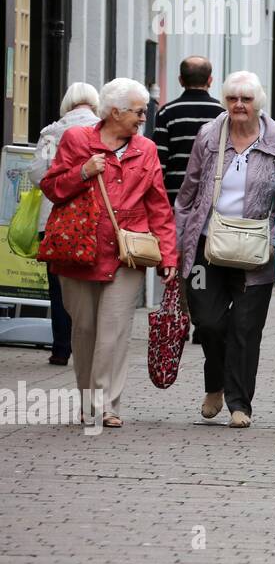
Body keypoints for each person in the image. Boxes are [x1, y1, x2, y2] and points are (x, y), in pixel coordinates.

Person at [40, 78, 179, 429]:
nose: (143, 118)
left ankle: (105, 405)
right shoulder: (76, 140)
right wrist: (83, 172)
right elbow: (52, 187)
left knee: (113, 330)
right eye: (138, 111)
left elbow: (158, 204)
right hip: (79, 248)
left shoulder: (145, 149)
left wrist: (168, 256)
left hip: (127, 251)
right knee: (85, 328)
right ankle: (88, 401)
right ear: (115, 112)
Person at [172, 72, 275, 429]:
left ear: (259, 102)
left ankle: (240, 404)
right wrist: (180, 244)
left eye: (246, 99)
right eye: (232, 98)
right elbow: (189, 190)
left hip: (256, 249)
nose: (239, 105)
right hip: (208, 243)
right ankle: (215, 384)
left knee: (245, 328)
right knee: (208, 322)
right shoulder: (209, 135)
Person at [28, 83, 101, 366]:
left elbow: (37, 174)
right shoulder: (103, 130)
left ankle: (61, 348)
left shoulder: (50, 132)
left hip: (56, 218)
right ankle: (91, 344)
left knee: (59, 284)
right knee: (93, 281)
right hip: (94, 215)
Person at [151, 56, 225, 203]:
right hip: (212, 193)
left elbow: (159, 162)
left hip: (175, 194)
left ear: (181, 80)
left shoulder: (167, 112)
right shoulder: (221, 113)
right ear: (210, 80)